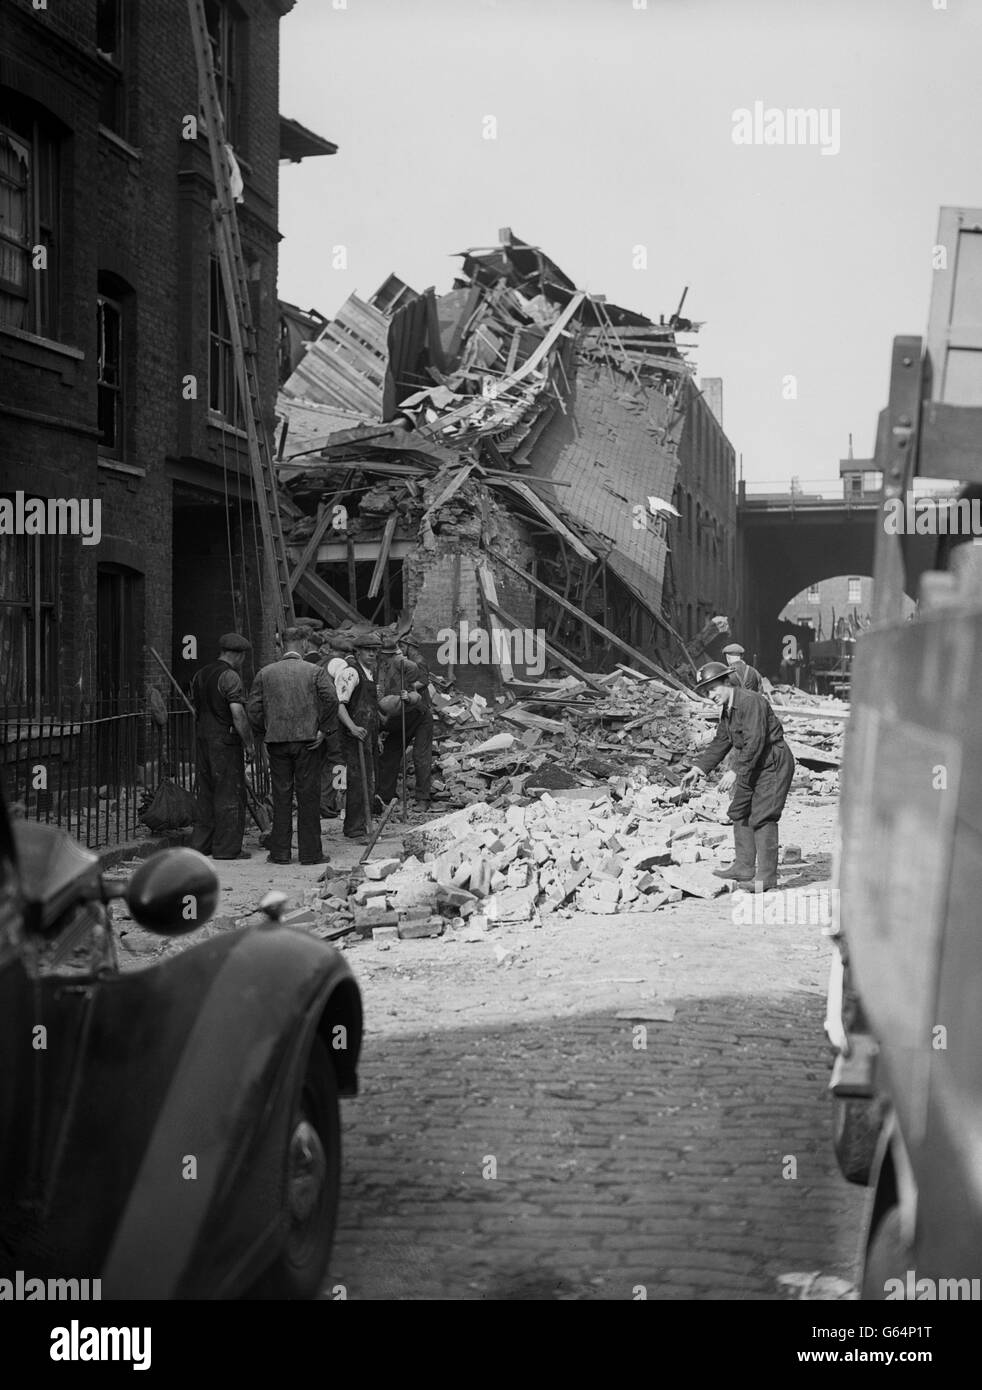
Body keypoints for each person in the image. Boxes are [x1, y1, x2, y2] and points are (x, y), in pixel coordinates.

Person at [680, 661, 795, 891]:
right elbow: (721, 741)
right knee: (740, 809)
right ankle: (743, 867)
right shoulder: (727, 709)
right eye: (705, 692)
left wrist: (734, 770)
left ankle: (766, 877)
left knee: (763, 815)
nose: (710, 695)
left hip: (772, 760)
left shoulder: (750, 701)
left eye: (713, 689)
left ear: (726, 682)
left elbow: (756, 740)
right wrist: (698, 769)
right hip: (752, 761)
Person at [246, 627, 338, 865]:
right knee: (308, 797)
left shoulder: (265, 673)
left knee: (281, 796)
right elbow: (332, 699)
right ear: (305, 644)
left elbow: (253, 709)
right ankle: (310, 854)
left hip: (277, 742)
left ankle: (280, 853)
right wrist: (323, 730)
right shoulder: (315, 671)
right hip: (307, 741)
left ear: (281, 645)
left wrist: (263, 733)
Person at [189, 633, 254, 860]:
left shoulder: (200, 674)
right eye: (243, 656)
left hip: (202, 737)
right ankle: (226, 849)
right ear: (237, 655)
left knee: (205, 792)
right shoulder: (230, 677)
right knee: (229, 793)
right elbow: (238, 714)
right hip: (224, 741)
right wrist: (248, 744)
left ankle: (201, 845)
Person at [375, 635, 443, 808]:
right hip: (397, 720)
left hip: (417, 715)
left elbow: (417, 682)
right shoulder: (375, 668)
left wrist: (408, 690)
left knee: (420, 756)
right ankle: (385, 797)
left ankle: (423, 798)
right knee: (390, 755)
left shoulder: (402, 663)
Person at [333, 632, 381, 842]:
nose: (372, 654)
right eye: (368, 650)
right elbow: (339, 704)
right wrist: (352, 727)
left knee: (367, 782)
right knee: (357, 781)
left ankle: (362, 823)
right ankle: (354, 828)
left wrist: (375, 735)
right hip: (353, 737)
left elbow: (370, 708)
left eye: (374, 650)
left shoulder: (370, 673)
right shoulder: (350, 673)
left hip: (366, 735)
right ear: (358, 652)